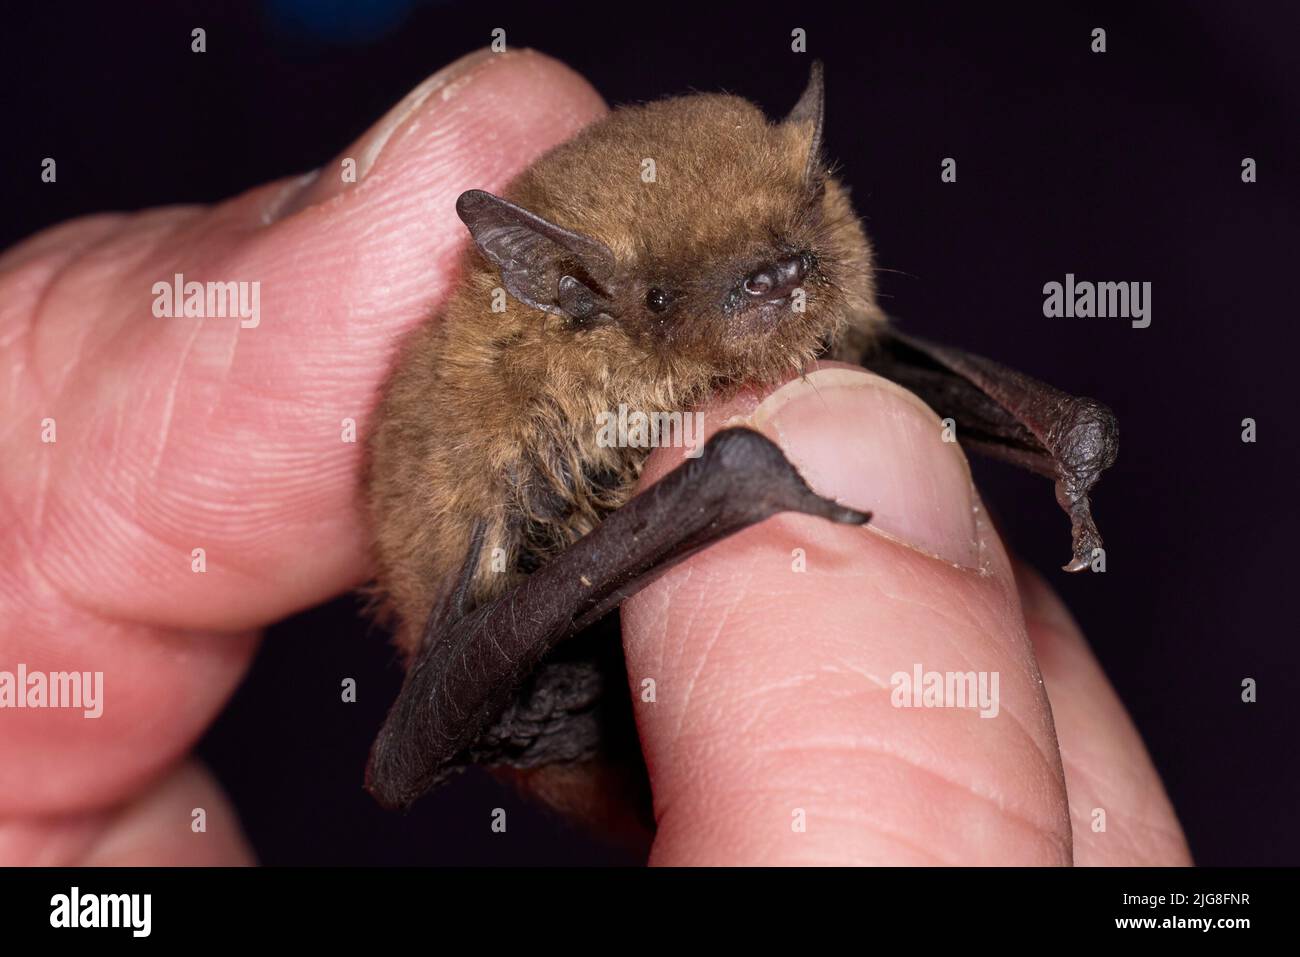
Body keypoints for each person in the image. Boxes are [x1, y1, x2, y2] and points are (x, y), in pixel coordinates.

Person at [0, 49, 1189, 866]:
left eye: (790, 250)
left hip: (656, 617)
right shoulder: (502, 402)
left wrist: (1056, 442)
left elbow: (852, 322)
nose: (776, 283)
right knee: (721, 486)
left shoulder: (816, 266)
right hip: (577, 693)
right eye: (684, 290)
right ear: (570, 292)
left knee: (788, 441)